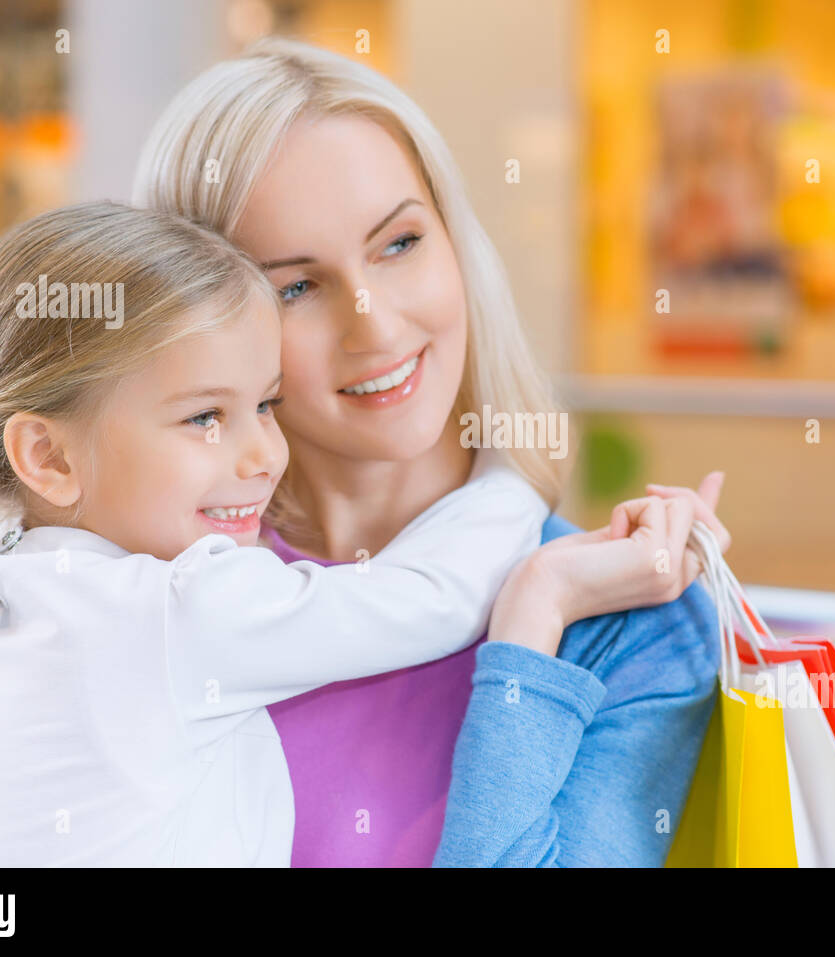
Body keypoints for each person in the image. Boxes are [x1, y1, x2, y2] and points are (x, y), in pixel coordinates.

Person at [0, 202, 708, 866]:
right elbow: (431, 597)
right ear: (45, 455)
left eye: (264, 404)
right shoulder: (177, 608)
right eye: (205, 417)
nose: (266, 452)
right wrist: (509, 478)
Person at [134, 38, 729, 866]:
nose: (374, 323)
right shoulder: (155, 593)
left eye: (399, 244)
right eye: (296, 287)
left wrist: (530, 627)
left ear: (457, 244)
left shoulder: (628, 626)